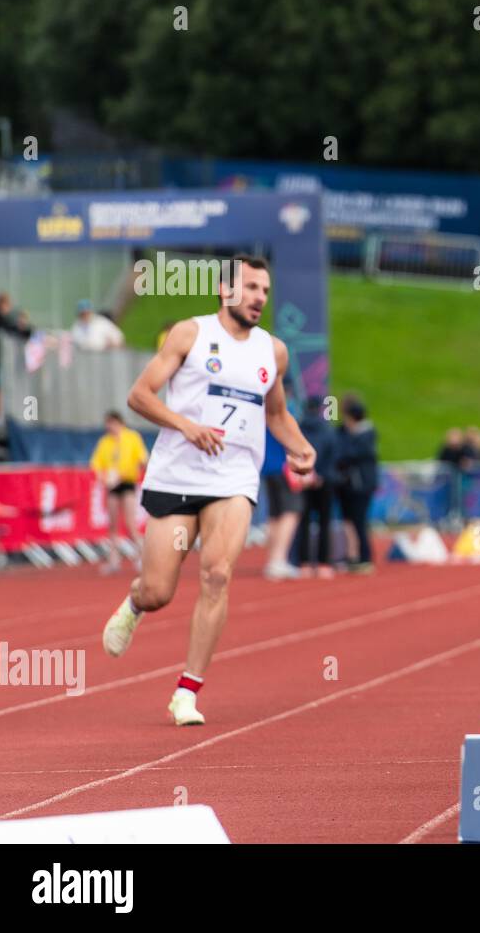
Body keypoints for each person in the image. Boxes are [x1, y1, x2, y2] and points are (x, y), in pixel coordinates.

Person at [100, 255, 316, 726]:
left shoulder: (272, 352)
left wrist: (301, 447)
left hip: (234, 477)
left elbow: (276, 413)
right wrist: (187, 426)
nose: (260, 297)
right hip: (178, 476)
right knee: (160, 591)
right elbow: (140, 395)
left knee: (217, 574)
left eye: (265, 290)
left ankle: (186, 691)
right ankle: (135, 603)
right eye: (252, 287)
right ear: (225, 290)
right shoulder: (190, 334)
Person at [89, 410, 149, 573]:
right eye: (108, 424)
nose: (110, 427)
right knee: (113, 525)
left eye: (112, 423)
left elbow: (142, 458)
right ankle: (113, 561)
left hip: (127, 482)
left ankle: (143, 557)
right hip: (112, 485)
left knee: (130, 523)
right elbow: (96, 464)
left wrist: (137, 466)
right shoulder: (105, 442)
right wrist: (103, 477)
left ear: (119, 423)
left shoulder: (132, 437)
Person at [294, 395, 338, 577]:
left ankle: (303, 563)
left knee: (302, 522)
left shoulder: (298, 429)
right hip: (324, 481)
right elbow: (334, 455)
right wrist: (321, 475)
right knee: (324, 522)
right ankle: (324, 564)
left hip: (303, 479)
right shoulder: (327, 430)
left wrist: (306, 475)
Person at [335, 396, 378, 574]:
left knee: (359, 521)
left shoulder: (366, 435)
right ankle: (352, 554)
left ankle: (365, 556)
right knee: (348, 521)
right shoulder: (345, 432)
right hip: (348, 485)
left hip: (361, 485)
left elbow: (348, 454)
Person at [260, 427, 303, 580]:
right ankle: (278, 560)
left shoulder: (262, 411)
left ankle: (273, 559)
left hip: (266, 465)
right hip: (285, 466)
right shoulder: (283, 412)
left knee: (275, 514)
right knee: (291, 511)